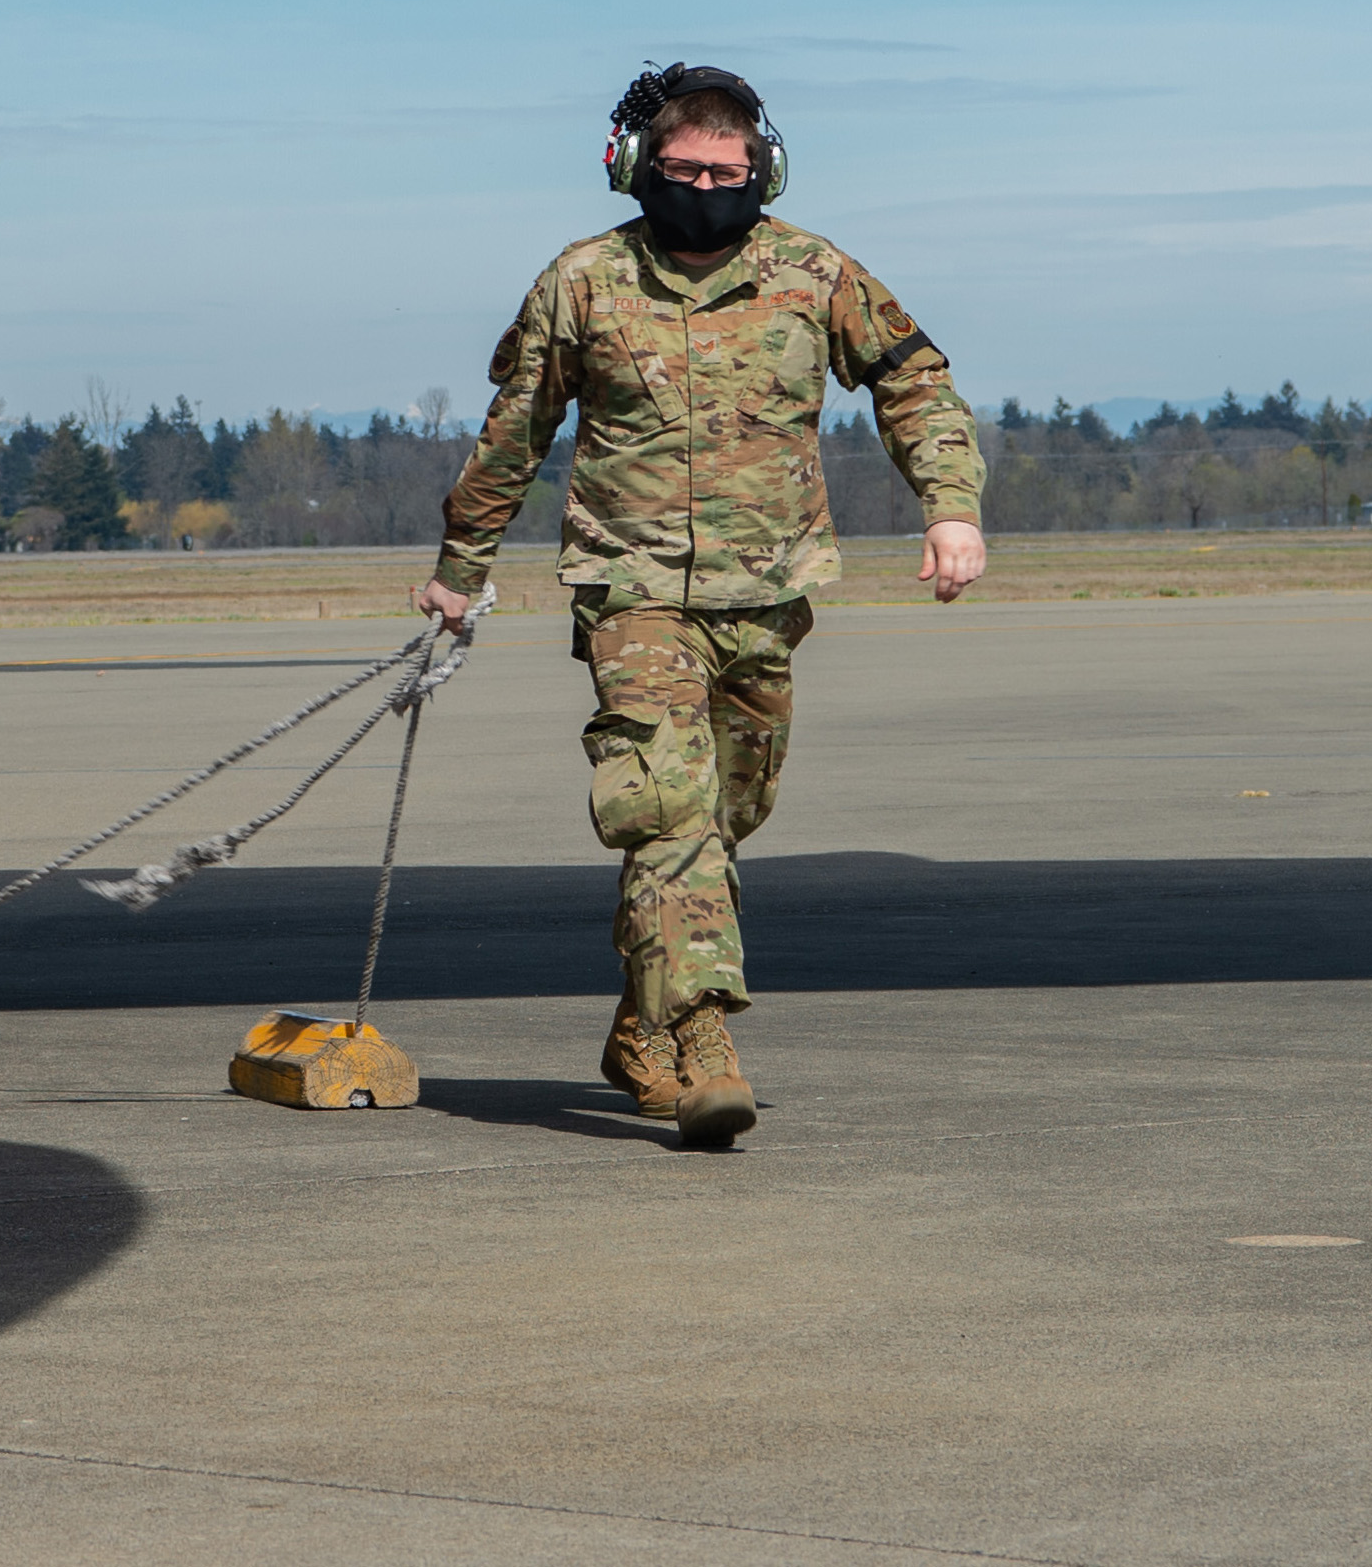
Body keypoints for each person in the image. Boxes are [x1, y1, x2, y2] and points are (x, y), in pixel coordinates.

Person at [413, 64, 984, 1149]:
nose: (707, 189)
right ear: (635, 169)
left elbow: (915, 381)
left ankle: (639, 1026)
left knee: (726, 818)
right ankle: (704, 1044)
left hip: (765, 594)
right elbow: (514, 431)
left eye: (727, 171)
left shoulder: (814, 273)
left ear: (760, 168)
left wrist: (950, 506)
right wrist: (461, 561)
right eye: (683, 171)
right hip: (631, 592)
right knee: (667, 810)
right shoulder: (583, 281)